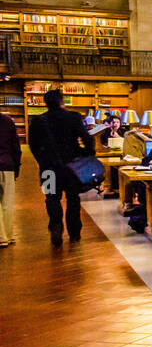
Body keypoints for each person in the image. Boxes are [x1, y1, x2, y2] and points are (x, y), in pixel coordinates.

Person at [27, 89, 94, 246]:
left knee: (51, 198)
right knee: (73, 199)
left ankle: (55, 225)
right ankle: (74, 232)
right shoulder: (73, 117)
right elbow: (87, 139)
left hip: (48, 168)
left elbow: (33, 145)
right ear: (62, 101)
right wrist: (86, 153)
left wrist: (42, 160)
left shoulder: (38, 121)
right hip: (72, 168)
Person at [0, 110, 20, 246]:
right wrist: (16, 168)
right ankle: (8, 235)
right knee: (7, 203)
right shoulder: (8, 121)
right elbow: (16, 148)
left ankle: (1, 237)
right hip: (7, 165)